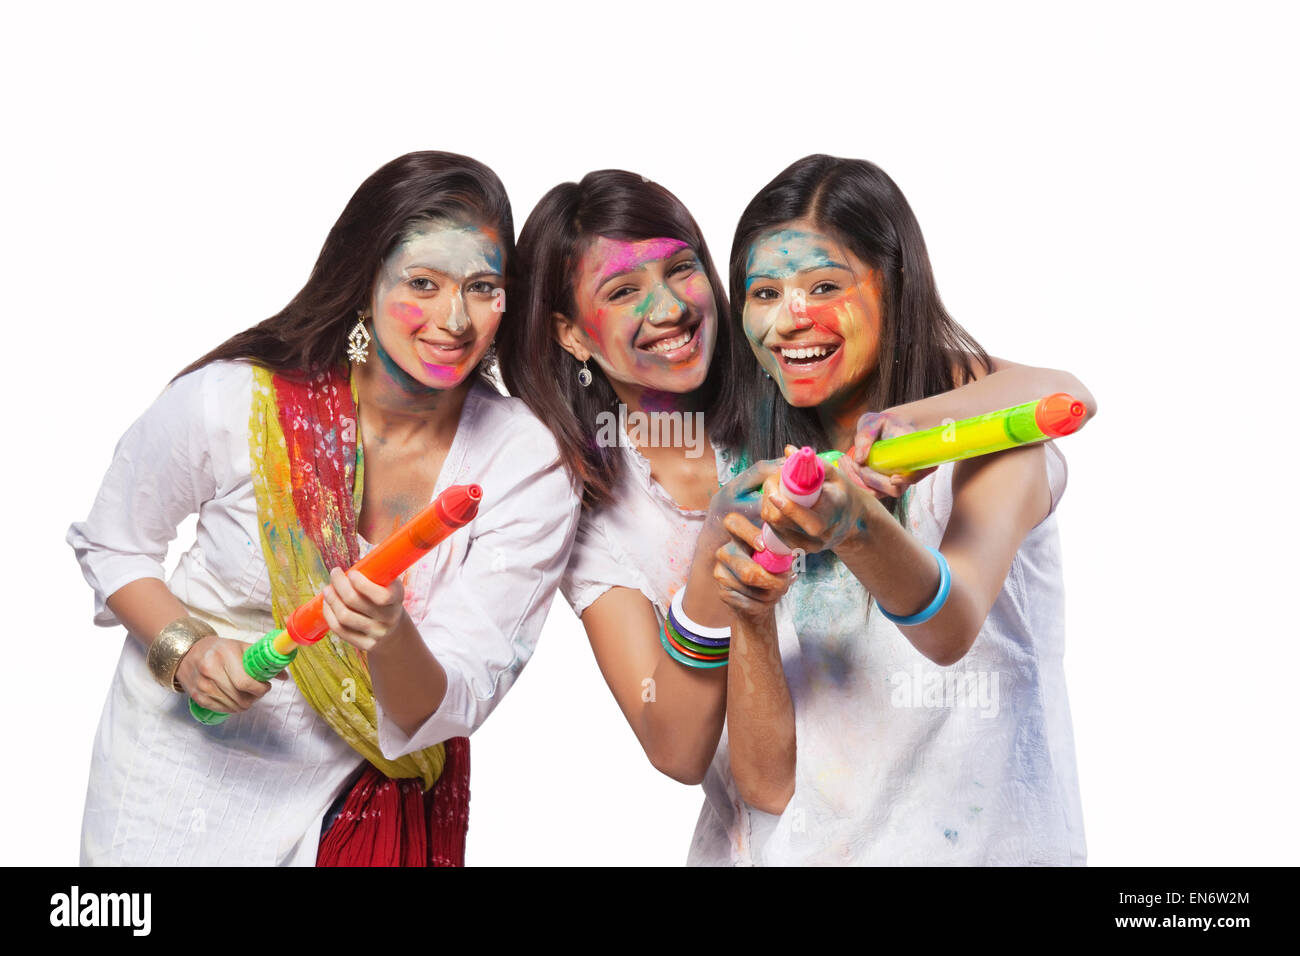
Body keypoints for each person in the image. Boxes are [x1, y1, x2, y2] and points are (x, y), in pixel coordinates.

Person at [498, 169, 1094, 848]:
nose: (667, 309)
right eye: (624, 291)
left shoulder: (814, 399)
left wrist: (905, 433)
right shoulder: (597, 502)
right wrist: (722, 577)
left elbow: (1062, 394)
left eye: (682, 270)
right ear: (569, 334)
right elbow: (701, 759)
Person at [66, 151, 580, 866]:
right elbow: (114, 544)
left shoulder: (525, 461)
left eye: (482, 287)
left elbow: (457, 696)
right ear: (364, 285)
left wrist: (390, 635)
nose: (454, 319)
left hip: (369, 787)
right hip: (179, 778)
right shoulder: (241, 401)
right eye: (422, 284)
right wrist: (190, 653)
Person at [699, 154, 1094, 865]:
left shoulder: (988, 445)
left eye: (825, 285)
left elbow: (949, 627)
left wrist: (855, 525)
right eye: (764, 292)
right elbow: (764, 787)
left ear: (897, 283)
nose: (793, 320)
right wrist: (751, 619)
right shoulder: (754, 472)